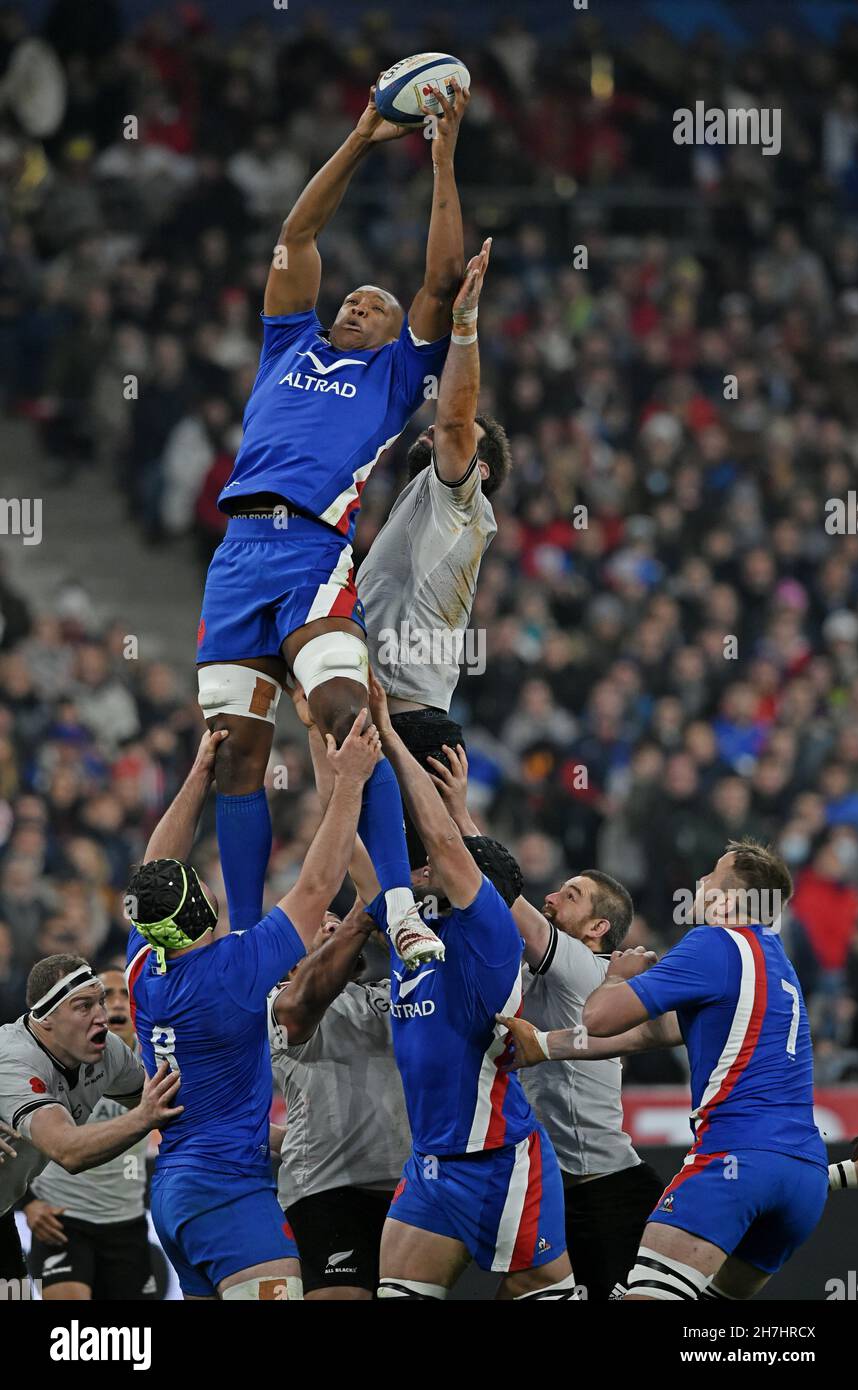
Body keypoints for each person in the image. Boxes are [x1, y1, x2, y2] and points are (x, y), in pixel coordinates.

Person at [195, 77, 471, 970]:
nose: (356, 303)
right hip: (237, 551)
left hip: (313, 550)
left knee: (346, 715)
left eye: (374, 304)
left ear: (398, 336)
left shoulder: (394, 377)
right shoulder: (288, 343)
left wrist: (440, 157)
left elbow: (439, 279)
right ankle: (246, 935)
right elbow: (297, 236)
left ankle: (398, 911)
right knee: (234, 751)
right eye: (350, 298)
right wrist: (359, 137)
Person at [123, 715, 380, 1300]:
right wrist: (350, 784)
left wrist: (197, 778)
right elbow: (317, 887)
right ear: (202, 912)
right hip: (226, 1192)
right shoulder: (231, 974)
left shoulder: (145, 965)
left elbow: (153, 870)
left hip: (175, 1194)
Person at [360, 678, 576, 1300]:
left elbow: (451, 849)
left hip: (499, 1164)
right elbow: (356, 858)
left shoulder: (490, 937)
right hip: (429, 1166)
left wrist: (395, 743)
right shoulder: (415, 928)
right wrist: (341, 764)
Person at [428, 742, 665, 1300]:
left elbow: (501, 895)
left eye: (574, 895)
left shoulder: (584, 967)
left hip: (606, 1189)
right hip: (551, 1182)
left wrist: (459, 814)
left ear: (598, 929)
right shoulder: (541, 970)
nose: (555, 894)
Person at [578, 840, 829, 1300]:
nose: (700, 882)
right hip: (804, 1177)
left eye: (712, 874)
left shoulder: (714, 943)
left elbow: (598, 1019)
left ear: (729, 900)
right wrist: (545, 1046)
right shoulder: (779, 963)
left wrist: (618, 974)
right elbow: (657, 1031)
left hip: (736, 1157)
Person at [356, 237, 511, 865]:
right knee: (380, 906)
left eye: (461, 427)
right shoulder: (424, 500)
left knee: (418, 904)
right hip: (385, 720)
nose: (444, 419)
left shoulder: (461, 501)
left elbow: (453, 422)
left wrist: (463, 327)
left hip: (412, 731)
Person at [0, 954, 180, 1287]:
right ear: (45, 1017)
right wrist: (144, 1117)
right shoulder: (16, 1061)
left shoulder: (108, 1051)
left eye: (101, 1001)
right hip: (62, 1216)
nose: (102, 1015)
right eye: (84, 1006)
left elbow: (171, 1105)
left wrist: (262, 1134)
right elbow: (68, 1151)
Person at [269, 902, 411, 1301]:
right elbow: (304, 1004)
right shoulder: (278, 1002)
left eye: (338, 921)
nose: (334, 926)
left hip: (406, 1190)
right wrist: (361, 918)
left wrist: (396, 926)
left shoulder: (389, 996)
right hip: (326, 1189)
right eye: (321, 924)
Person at [23, 967, 154, 1300]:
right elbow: (13, 1131)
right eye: (105, 997)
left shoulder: (155, 1062)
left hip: (127, 1223)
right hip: (63, 1221)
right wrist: (29, 1204)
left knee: (128, 1348)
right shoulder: (50, 1059)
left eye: (126, 995)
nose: (117, 1004)